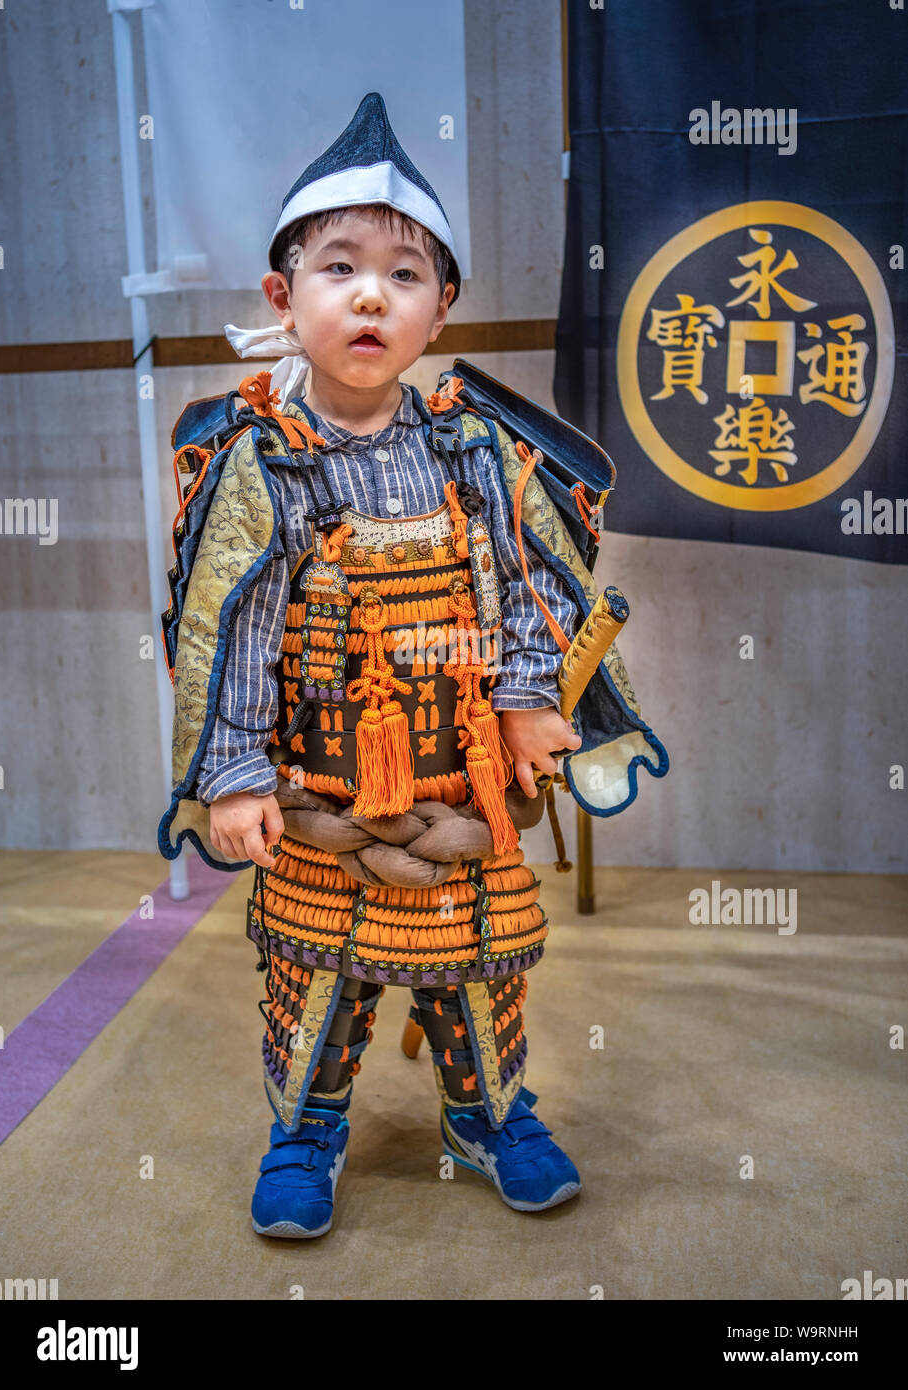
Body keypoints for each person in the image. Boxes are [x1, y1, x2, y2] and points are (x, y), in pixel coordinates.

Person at [160, 92, 666, 1238]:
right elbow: (228, 626)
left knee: (479, 978)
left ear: (441, 311)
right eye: (339, 266)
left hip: (458, 791)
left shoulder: (476, 451)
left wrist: (534, 702)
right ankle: (305, 1128)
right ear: (284, 302)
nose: (370, 294)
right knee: (313, 983)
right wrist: (235, 773)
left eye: (404, 273)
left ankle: (485, 1115)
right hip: (320, 797)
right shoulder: (264, 464)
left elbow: (534, 588)